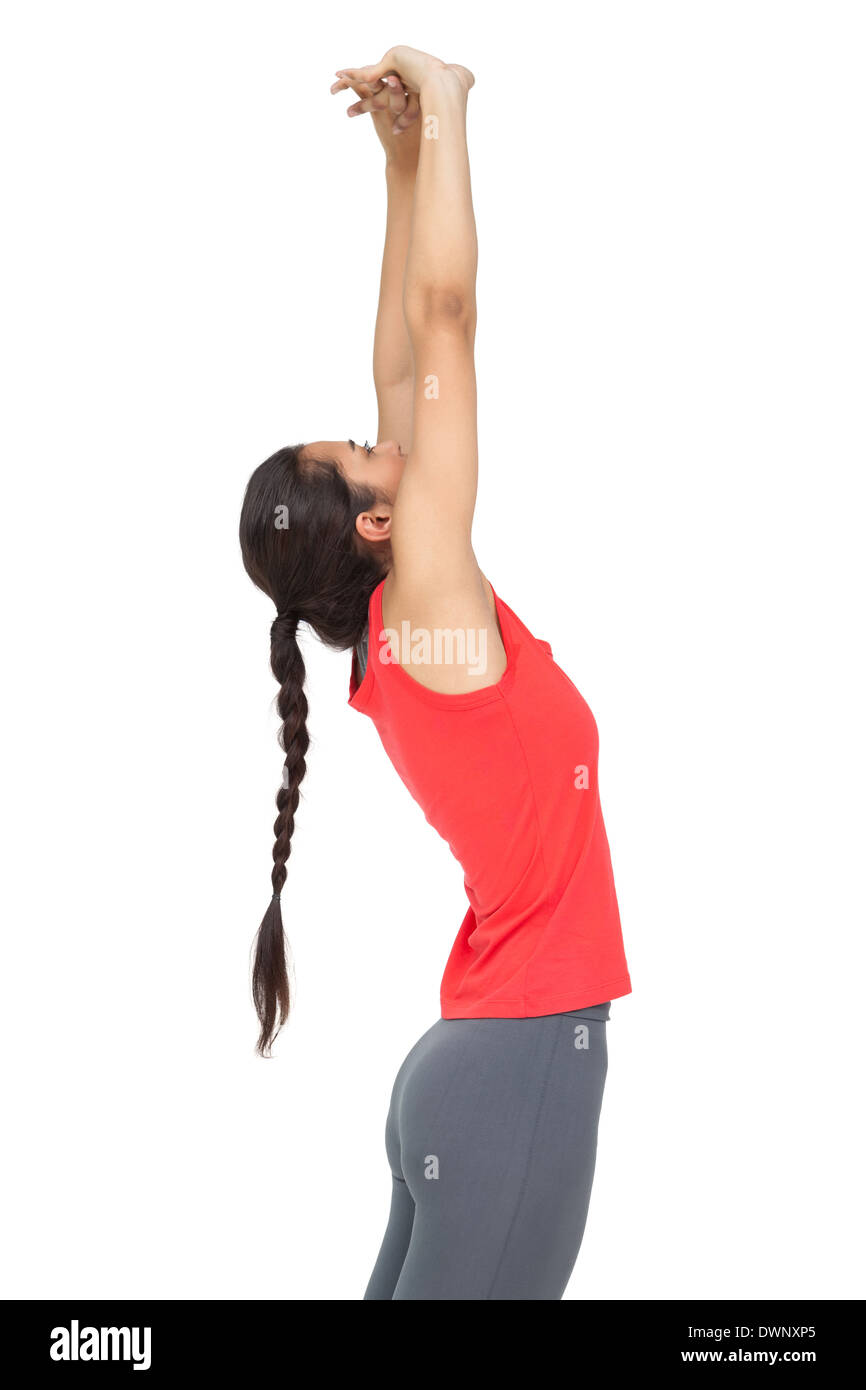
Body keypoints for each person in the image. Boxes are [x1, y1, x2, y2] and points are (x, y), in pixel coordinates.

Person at [239, 45, 632, 1300]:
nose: (383, 434)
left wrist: (400, 164)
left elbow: (399, 369)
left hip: (473, 1073)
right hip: (519, 1067)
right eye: (363, 452)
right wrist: (454, 112)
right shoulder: (435, 606)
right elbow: (441, 326)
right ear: (369, 529)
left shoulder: (405, 647)